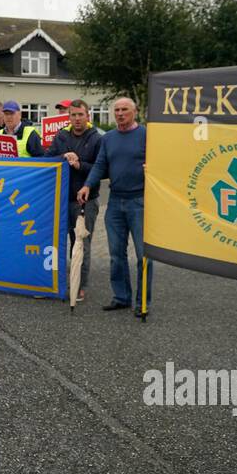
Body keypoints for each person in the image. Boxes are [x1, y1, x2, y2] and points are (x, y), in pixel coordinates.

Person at [78, 96, 149, 312]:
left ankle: (142, 302)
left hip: (140, 201)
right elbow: (100, 165)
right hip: (116, 201)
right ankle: (121, 296)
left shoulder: (146, 135)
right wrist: (88, 185)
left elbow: (163, 161)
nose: (119, 113)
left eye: (124, 109)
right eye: (116, 110)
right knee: (116, 254)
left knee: (143, 255)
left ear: (134, 112)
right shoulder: (108, 138)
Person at [47, 99, 102, 301]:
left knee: (81, 244)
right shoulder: (61, 136)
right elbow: (48, 158)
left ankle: (80, 285)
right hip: (62, 200)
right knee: (62, 242)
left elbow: (102, 169)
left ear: (88, 116)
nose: (77, 119)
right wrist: (63, 156)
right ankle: (60, 282)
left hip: (85, 201)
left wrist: (80, 164)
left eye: (81, 115)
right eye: (73, 115)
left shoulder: (97, 139)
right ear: (68, 117)